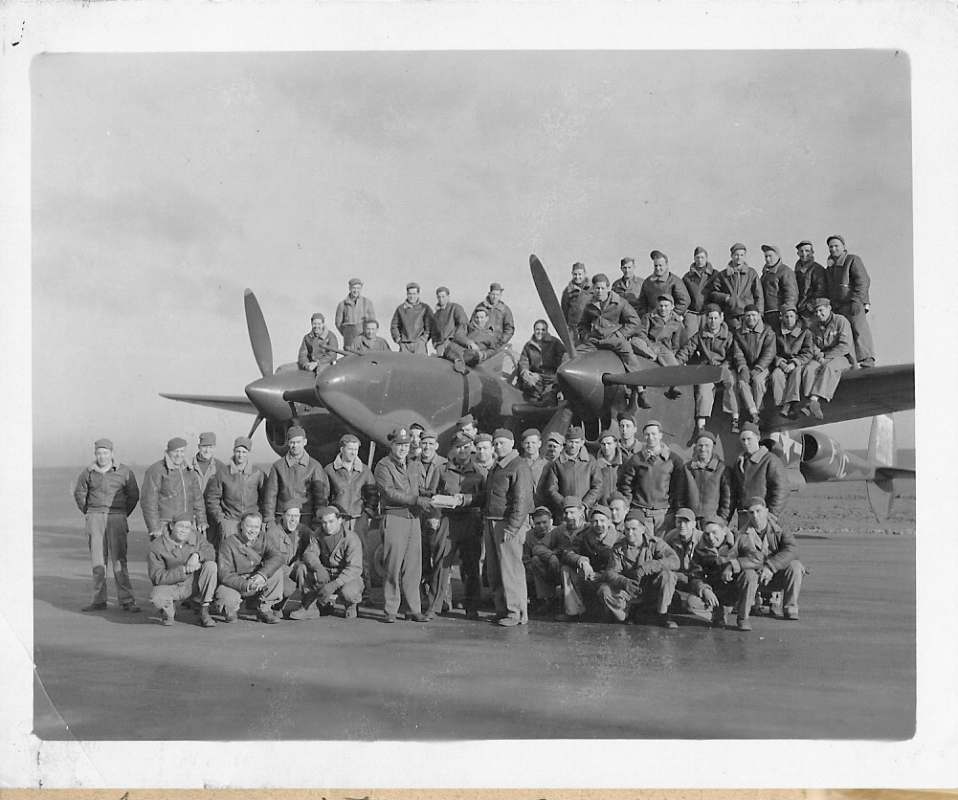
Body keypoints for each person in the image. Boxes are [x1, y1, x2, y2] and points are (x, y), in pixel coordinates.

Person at [73, 437, 140, 613]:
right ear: (95, 454)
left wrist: (122, 513)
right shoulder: (88, 472)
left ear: (112, 453)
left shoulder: (124, 471)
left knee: (119, 560)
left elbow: (133, 495)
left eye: (105, 453)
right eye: (99, 453)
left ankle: (127, 600)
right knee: (98, 561)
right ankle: (98, 600)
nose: (102, 456)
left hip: (117, 517)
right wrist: (89, 512)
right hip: (94, 517)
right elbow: (79, 493)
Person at [375, 427, 431, 623]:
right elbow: (389, 492)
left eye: (406, 445)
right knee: (392, 565)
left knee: (413, 566)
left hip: (413, 519)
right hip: (395, 517)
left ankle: (413, 609)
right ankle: (390, 609)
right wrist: (416, 500)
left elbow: (418, 488)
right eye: (399, 445)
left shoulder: (414, 465)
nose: (403, 449)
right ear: (392, 445)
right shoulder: (383, 466)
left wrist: (431, 495)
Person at [722, 496, 804, 630]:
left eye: (758, 511)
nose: (755, 516)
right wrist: (730, 566)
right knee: (748, 575)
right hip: (754, 578)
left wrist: (771, 567)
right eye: (751, 512)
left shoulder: (780, 529)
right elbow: (732, 555)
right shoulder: (742, 534)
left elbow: (792, 549)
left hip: (776, 574)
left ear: (766, 511)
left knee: (795, 566)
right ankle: (743, 617)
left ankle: (790, 608)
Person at [483, 428, 534, 626]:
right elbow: (488, 496)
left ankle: (516, 612)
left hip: (507, 524)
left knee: (511, 569)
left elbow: (522, 500)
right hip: (492, 521)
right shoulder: (497, 467)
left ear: (512, 444)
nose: (497, 447)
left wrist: (512, 528)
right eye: (495, 443)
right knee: (495, 570)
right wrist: (463, 499)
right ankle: (502, 609)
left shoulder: (519, 466)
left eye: (501, 443)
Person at [594, 511, 680, 628]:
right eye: (627, 529)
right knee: (604, 590)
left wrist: (650, 566)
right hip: (629, 590)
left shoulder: (655, 543)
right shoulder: (619, 548)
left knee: (668, 575)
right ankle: (624, 616)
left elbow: (675, 561)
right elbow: (611, 572)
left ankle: (663, 615)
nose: (630, 533)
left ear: (643, 529)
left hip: (650, 589)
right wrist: (625, 582)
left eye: (634, 529)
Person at [436, 432, 487, 618]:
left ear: (471, 448)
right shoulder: (442, 470)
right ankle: (436, 604)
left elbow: (484, 497)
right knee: (442, 563)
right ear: (453, 449)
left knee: (471, 566)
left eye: (466, 447)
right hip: (448, 520)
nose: (462, 450)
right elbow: (432, 493)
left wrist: (466, 499)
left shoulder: (479, 472)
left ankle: (472, 607)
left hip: (471, 520)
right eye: (458, 447)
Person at [288, 506, 364, 620]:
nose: (327, 526)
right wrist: (318, 568)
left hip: (344, 575)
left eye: (331, 521)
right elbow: (309, 554)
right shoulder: (317, 535)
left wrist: (335, 584)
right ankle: (309, 606)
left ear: (340, 520)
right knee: (302, 568)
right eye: (324, 522)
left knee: (349, 592)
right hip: (325, 573)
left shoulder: (351, 538)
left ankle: (351, 605)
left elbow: (354, 568)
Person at [674, 303, 738, 441]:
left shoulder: (729, 336)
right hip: (707, 369)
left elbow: (732, 356)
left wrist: (723, 366)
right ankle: (701, 426)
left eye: (715, 318)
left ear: (721, 318)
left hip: (724, 367)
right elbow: (687, 350)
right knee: (703, 390)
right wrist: (675, 363)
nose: (713, 322)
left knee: (731, 384)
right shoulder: (700, 336)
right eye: (710, 318)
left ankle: (735, 419)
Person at [147, 511, 218, 627]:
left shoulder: (197, 537)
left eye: (187, 527)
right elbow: (157, 577)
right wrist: (183, 570)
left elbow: (211, 551)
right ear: (171, 526)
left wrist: (197, 555)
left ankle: (204, 609)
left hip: (193, 583)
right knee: (157, 598)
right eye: (180, 526)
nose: (184, 530)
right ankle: (169, 611)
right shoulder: (157, 546)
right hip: (172, 586)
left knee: (211, 566)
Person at [213, 511, 284, 624]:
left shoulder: (264, 538)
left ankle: (265, 609)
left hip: (257, 578)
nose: (253, 530)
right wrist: (246, 584)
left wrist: (262, 575)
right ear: (241, 526)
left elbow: (277, 556)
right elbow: (224, 574)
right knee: (227, 601)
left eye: (256, 527)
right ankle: (231, 610)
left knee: (277, 572)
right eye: (249, 526)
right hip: (236, 582)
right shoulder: (228, 543)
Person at [616, 420, 685, 535]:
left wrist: (673, 507)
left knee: (662, 544)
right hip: (641, 512)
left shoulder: (673, 460)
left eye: (654, 434)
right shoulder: (636, 459)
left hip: (664, 514)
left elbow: (679, 487)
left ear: (660, 435)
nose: (650, 437)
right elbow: (626, 484)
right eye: (647, 434)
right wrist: (629, 504)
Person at [556, 503, 622, 621]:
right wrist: (582, 561)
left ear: (609, 522)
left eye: (602, 521)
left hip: (609, 579)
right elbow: (568, 553)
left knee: (607, 593)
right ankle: (573, 612)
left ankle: (617, 613)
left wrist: (602, 575)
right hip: (588, 575)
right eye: (595, 521)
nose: (599, 524)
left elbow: (621, 567)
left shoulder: (619, 539)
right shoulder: (583, 536)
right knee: (566, 569)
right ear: (590, 522)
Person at [204, 435, 266, 549]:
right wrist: (221, 519)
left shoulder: (257, 473)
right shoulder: (223, 473)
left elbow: (266, 498)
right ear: (233, 451)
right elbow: (212, 499)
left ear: (248, 453)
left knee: (253, 551)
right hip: (231, 519)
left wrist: (260, 517)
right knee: (229, 549)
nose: (240, 455)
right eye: (238, 451)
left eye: (244, 452)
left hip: (252, 519)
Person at [141, 436, 207, 541]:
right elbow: (149, 501)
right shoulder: (156, 470)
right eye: (176, 451)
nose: (179, 455)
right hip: (165, 525)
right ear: (168, 452)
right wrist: (154, 527)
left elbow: (197, 498)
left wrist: (201, 520)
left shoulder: (189, 471)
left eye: (182, 451)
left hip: (187, 524)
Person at [263, 425, 328, 530]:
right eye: (292, 442)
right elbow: (270, 496)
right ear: (288, 443)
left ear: (305, 442)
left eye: (298, 442)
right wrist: (269, 520)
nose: (295, 445)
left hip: (306, 519)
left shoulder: (315, 466)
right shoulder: (277, 466)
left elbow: (320, 498)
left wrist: (318, 521)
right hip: (282, 518)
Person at [825, 234, 875, 368]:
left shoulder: (852, 260)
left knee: (859, 329)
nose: (833, 249)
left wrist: (857, 300)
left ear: (843, 246)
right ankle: (852, 363)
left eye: (836, 246)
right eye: (831, 247)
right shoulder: (830, 267)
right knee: (845, 334)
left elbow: (863, 280)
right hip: (839, 306)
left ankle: (867, 358)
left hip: (854, 303)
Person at [801, 296, 855, 420]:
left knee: (829, 368)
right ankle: (809, 402)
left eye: (821, 310)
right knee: (809, 368)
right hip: (822, 357)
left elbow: (845, 346)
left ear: (829, 308)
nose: (818, 314)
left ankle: (814, 400)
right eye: (816, 312)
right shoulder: (814, 326)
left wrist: (826, 356)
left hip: (842, 357)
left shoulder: (841, 321)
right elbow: (812, 345)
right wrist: (819, 356)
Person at [576, 273, 642, 372]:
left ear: (608, 288)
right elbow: (582, 324)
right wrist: (586, 336)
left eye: (602, 288)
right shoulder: (589, 305)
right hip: (595, 341)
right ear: (593, 288)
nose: (600, 291)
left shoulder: (620, 302)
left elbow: (635, 322)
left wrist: (620, 334)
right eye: (597, 288)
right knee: (571, 356)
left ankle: (637, 380)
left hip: (615, 340)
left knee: (630, 359)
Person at [728, 423, 788, 523]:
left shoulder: (770, 461)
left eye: (749, 439)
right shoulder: (739, 463)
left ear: (758, 438)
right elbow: (733, 492)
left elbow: (781, 490)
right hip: (744, 516)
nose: (746, 443)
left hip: (763, 517)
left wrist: (772, 514)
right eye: (743, 440)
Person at [731, 304, 776, 428]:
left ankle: (758, 411)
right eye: (748, 316)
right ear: (744, 317)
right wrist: (743, 367)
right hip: (747, 366)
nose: (751, 318)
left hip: (764, 366)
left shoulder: (767, 331)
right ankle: (754, 413)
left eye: (753, 315)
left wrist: (758, 368)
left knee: (758, 381)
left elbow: (769, 353)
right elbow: (738, 353)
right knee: (742, 383)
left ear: (759, 316)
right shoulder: (738, 333)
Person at [543, 425, 603, 517]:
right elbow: (552, 489)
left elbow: (597, 486)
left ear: (582, 442)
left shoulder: (590, 461)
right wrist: (566, 504)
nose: (573, 445)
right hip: (565, 512)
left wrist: (585, 505)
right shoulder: (557, 463)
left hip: (585, 512)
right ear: (566, 442)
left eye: (576, 442)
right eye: (570, 442)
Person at [769, 305, 815, 419]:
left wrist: (794, 363)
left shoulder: (805, 332)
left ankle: (790, 403)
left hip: (798, 362)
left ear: (796, 317)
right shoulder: (775, 332)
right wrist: (780, 362)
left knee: (796, 373)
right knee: (776, 375)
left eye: (791, 316)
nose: (789, 319)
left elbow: (808, 352)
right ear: (781, 318)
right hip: (783, 363)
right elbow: (771, 351)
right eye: (786, 316)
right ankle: (780, 404)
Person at [324, 433, 376, 533]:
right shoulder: (330, 470)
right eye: (350, 449)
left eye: (356, 449)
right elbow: (324, 496)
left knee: (358, 543)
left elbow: (372, 495)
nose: (353, 453)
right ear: (342, 449)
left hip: (359, 520)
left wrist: (368, 513)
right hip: (337, 520)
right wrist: (329, 516)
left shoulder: (365, 471)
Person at [662, 507, 707, 616]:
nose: (682, 525)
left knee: (691, 603)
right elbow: (662, 557)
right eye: (679, 522)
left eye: (686, 522)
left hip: (698, 579)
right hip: (678, 578)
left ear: (694, 524)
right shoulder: (670, 537)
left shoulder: (702, 538)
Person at [707, 243, 763, 329]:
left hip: (748, 315)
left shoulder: (752, 273)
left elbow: (758, 294)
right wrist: (726, 298)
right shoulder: (723, 275)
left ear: (745, 256)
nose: (739, 257)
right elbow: (713, 293)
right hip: (731, 314)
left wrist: (759, 313)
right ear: (731, 256)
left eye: (742, 255)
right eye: (736, 255)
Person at [682, 430, 731, 527]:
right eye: (700, 445)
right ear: (696, 447)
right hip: (690, 520)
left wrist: (721, 520)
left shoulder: (722, 469)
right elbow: (679, 495)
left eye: (707, 445)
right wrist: (683, 516)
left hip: (712, 521)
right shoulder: (687, 468)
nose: (703, 449)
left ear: (713, 447)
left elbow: (727, 499)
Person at [517, 319, 566, 405]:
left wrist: (558, 376)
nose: (540, 332)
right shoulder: (528, 345)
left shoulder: (555, 343)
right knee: (531, 398)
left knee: (549, 398)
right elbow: (524, 361)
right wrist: (525, 373)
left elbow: (563, 359)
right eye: (537, 329)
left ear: (547, 331)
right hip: (536, 377)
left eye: (543, 330)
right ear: (534, 330)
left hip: (551, 377)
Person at [630, 294, 684, 372]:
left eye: (666, 306)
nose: (663, 309)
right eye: (661, 306)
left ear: (672, 307)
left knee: (675, 369)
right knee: (635, 341)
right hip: (648, 344)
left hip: (663, 348)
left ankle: (657, 357)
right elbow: (641, 333)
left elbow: (676, 343)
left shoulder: (676, 321)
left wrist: (672, 353)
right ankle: (652, 356)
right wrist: (650, 345)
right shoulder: (649, 317)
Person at [273, 502, 310, 610]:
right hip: (279, 571)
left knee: (304, 568)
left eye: (296, 516)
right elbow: (271, 561)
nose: (293, 520)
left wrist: (300, 560)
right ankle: (274, 606)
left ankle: (307, 606)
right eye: (289, 515)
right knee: (288, 588)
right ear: (283, 516)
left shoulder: (303, 530)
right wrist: (290, 570)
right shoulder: (273, 532)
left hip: (293, 568)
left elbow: (314, 547)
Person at [635, 250, 691, 318]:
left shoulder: (675, 281)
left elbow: (684, 301)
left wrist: (672, 315)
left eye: (660, 265)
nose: (658, 268)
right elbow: (642, 303)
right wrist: (646, 316)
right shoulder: (647, 282)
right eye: (656, 266)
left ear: (666, 265)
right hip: (652, 319)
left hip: (669, 320)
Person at [759, 244, 799, 332]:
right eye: (766, 256)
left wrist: (786, 312)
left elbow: (791, 294)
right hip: (767, 313)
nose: (768, 259)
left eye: (770, 256)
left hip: (778, 313)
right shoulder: (765, 274)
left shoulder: (785, 271)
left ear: (778, 256)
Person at [390, 282, 435, 355]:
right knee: (404, 362)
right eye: (410, 294)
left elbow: (430, 325)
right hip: (404, 344)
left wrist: (424, 339)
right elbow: (394, 325)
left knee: (421, 362)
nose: (412, 296)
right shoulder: (400, 309)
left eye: (414, 294)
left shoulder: (425, 308)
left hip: (419, 344)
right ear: (407, 294)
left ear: (418, 294)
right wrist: (398, 339)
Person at [681, 246, 716, 339]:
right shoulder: (687, 277)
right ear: (694, 258)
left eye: (702, 257)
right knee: (690, 338)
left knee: (707, 339)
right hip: (692, 313)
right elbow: (682, 295)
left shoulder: (714, 275)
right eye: (697, 257)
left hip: (708, 312)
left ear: (706, 258)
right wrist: (684, 312)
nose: (700, 260)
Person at [793, 240, 829, 322]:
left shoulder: (818, 269)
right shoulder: (796, 271)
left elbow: (821, 291)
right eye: (801, 251)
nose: (804, 254)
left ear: (812, 252)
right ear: (798, 253)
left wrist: (810, 306)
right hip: (798, 309)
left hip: (811, 310)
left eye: (807, 251)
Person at [335, 278, 376, 349]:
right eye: (354, 288)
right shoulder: (342, 304)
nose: (356, 290)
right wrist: (346, 333)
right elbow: (338, 323)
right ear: (349, 288)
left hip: (364, 338)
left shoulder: (367, 303)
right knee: (349, 355)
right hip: (349, 339)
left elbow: (372, 321)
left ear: (361, 289)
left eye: (358, 288)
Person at [472, 282, 515, 347]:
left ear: (500, 295)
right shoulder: (480, 306)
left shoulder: (505, 310)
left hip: (497, 343)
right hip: (480, 341)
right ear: (489, 294)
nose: (495, 297)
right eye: (493, 294)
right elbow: (472, 324)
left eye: (497, 295)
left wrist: (501, 342)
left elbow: (509, 329)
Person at [560, 262, 592, 343]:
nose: (577, 277)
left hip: (589, 328)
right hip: (574, 329)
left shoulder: (593, 288)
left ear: (585, 273)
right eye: (575, 274)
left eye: (580, 274)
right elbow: (564, 311)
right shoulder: (567, 291)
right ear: (572, 274)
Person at [431, 285, 469, 351]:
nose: (441, 299)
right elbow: (434, 332)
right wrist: (436, 344)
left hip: (455, 343)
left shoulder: (455, 308)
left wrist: (453, 338)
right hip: (441, 346)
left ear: (448, 297)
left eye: (443, 296)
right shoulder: (436, 315)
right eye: (439, 297)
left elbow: (463, 324)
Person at [519, 428, 550, 507]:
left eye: (533, 442)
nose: (530, 446)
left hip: (542, 506)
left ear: (539, 444)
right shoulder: (517, 464)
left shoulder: (547, 464)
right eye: (527, 443)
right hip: (522, 506)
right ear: (522, 444)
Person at [594, 429, 622, 504]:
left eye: (609, 443)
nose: (606, 447)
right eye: (603, 444)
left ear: (615, 444)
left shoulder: (624, 462)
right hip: (601, 506)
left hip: (619, 506)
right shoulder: (594, 464)